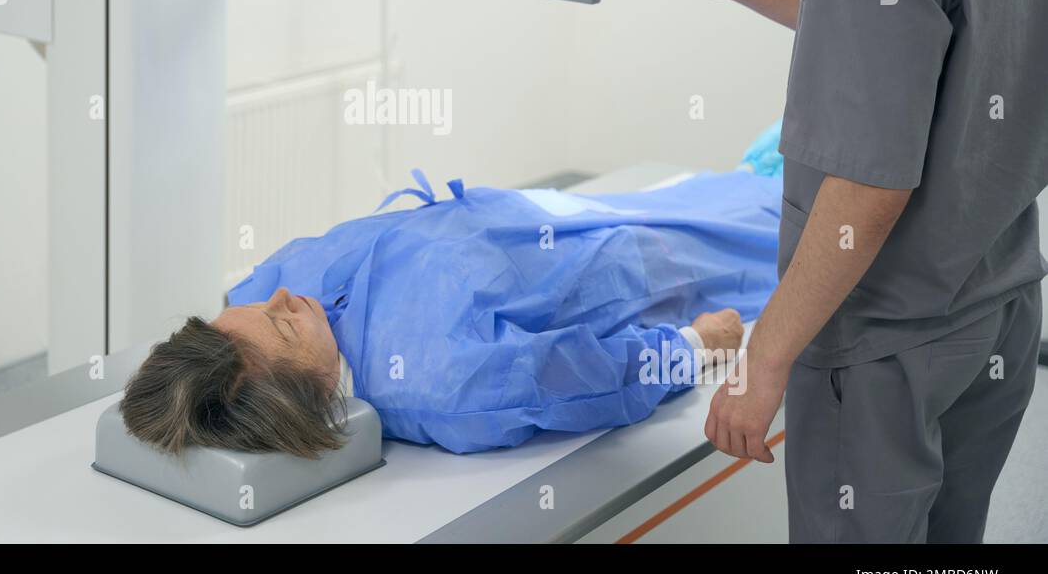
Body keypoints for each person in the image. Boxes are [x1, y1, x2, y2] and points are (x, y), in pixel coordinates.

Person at [632, 0, 1047, 543]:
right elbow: (903, 23)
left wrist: (765, 357)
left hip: (884, 352)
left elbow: (870, 183)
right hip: (995, 316)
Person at [120, 169, 781, 455]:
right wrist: (692, 346)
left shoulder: (265, 300)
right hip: (632, 266)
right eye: (284, 323)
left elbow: (247, 308)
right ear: (307, 393)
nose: (284, 297)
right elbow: (587, 376)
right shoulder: (445, 387)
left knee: (723, 189)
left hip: (550, 214)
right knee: (780, 223)